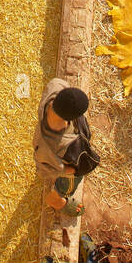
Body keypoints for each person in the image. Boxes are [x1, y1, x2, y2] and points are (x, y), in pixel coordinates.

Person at [33, 79, 100, 216]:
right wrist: (69, 171)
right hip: (68, 166)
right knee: (66, 185)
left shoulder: (56, 86)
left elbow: (59, 85)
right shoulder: (51, 147)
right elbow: (44, 170)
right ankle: (57, 200)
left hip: (69, 152)